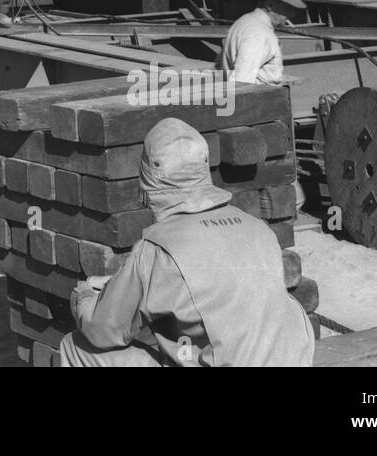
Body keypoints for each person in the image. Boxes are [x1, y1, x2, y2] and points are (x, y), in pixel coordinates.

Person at [58, 117, 314, 368]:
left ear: (148, 178)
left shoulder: (159, 250)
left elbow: (104, 329)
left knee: (76, 347)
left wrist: (85, 297)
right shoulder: (258, 229)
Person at [216, 0, 306, 85]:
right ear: (270, 6)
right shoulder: (258, 34)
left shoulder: (244, 21)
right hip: (257, 99)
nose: (292, 14)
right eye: (288, 7)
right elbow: (242, 84)